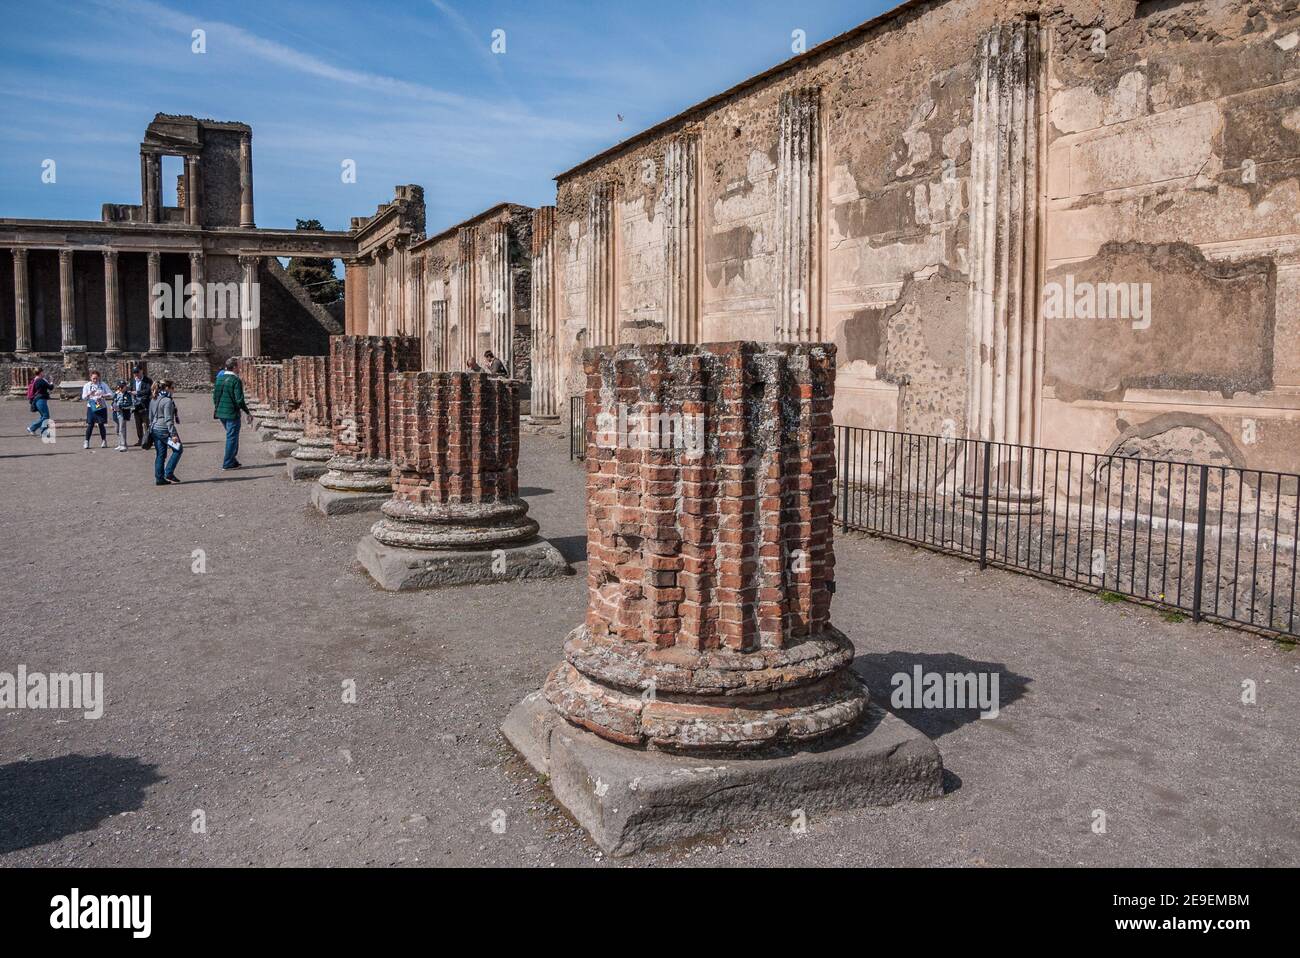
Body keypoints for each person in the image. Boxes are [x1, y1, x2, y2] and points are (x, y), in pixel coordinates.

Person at [211, 357, 254, 470]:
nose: (240, 368)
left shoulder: (220, 378)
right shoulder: (236, 380)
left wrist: (218, 407)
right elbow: (239, 399)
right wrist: (247, 412)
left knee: (231, 436)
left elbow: (215, 396)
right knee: (232, 438)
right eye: (238, 366)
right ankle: (228, 463)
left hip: (221, 413)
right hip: (231, 413)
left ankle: (233, 460)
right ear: (234, 367)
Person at [148, 379, 183, 485]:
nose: (173, 390)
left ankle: (159, 478)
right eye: (172, 388)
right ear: (167, 388)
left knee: (161, 454)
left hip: (155, 429)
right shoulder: (167, 401)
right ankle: (169, 472)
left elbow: (150, 416)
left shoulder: (154, 398)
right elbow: (168, 419)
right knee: (178, 449)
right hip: (164, 430)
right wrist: (173, 434)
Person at [81, 370, 113, 449]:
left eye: (96, 378)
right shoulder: (87, 385)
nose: (95, 380)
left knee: (101, 424)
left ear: (99, 378)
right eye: (93, 378)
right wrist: (89, 394)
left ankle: (104, 441)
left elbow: (111, 394)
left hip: (101, 406)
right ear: (90, 378)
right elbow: (83, 397)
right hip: (91, 406)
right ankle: (86, 441)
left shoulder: (103, 384)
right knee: (90, 424)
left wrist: (103, 395)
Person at [26, 367, 55, 438]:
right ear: (40, 372)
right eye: (43, 372)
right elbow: (50, 387)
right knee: (46, 416)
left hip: (39, 400)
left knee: (43, 416)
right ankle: (32, 428)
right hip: (40, 400)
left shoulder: (36, 380)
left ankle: (44, 433)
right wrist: (51, 381)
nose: (44, 373)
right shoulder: (40, 380)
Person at [129, 365, 153, 446]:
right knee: (138, 423)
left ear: (141, 371)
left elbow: (149, 390)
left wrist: (137, 392)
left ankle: (149, 440)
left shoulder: (148, 380)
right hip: (136, 405)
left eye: (137, 372)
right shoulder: (132, 381)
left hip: (145, 404)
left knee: (146, 422)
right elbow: (131, 389)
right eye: (134, 373)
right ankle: (140, 439)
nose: (136, 375)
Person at [111, 380, 136, 451]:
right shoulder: (116, 394)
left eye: (124, 386)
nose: (123, 388)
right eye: (122, 387)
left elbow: (130, 404)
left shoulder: (127, 394)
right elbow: (113, 401)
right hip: (116, 412)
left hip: (123, 413)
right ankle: (119, 443)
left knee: (122, 429)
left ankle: (124, 444)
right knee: (117, 429)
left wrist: (121, 406)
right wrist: (112, 406)